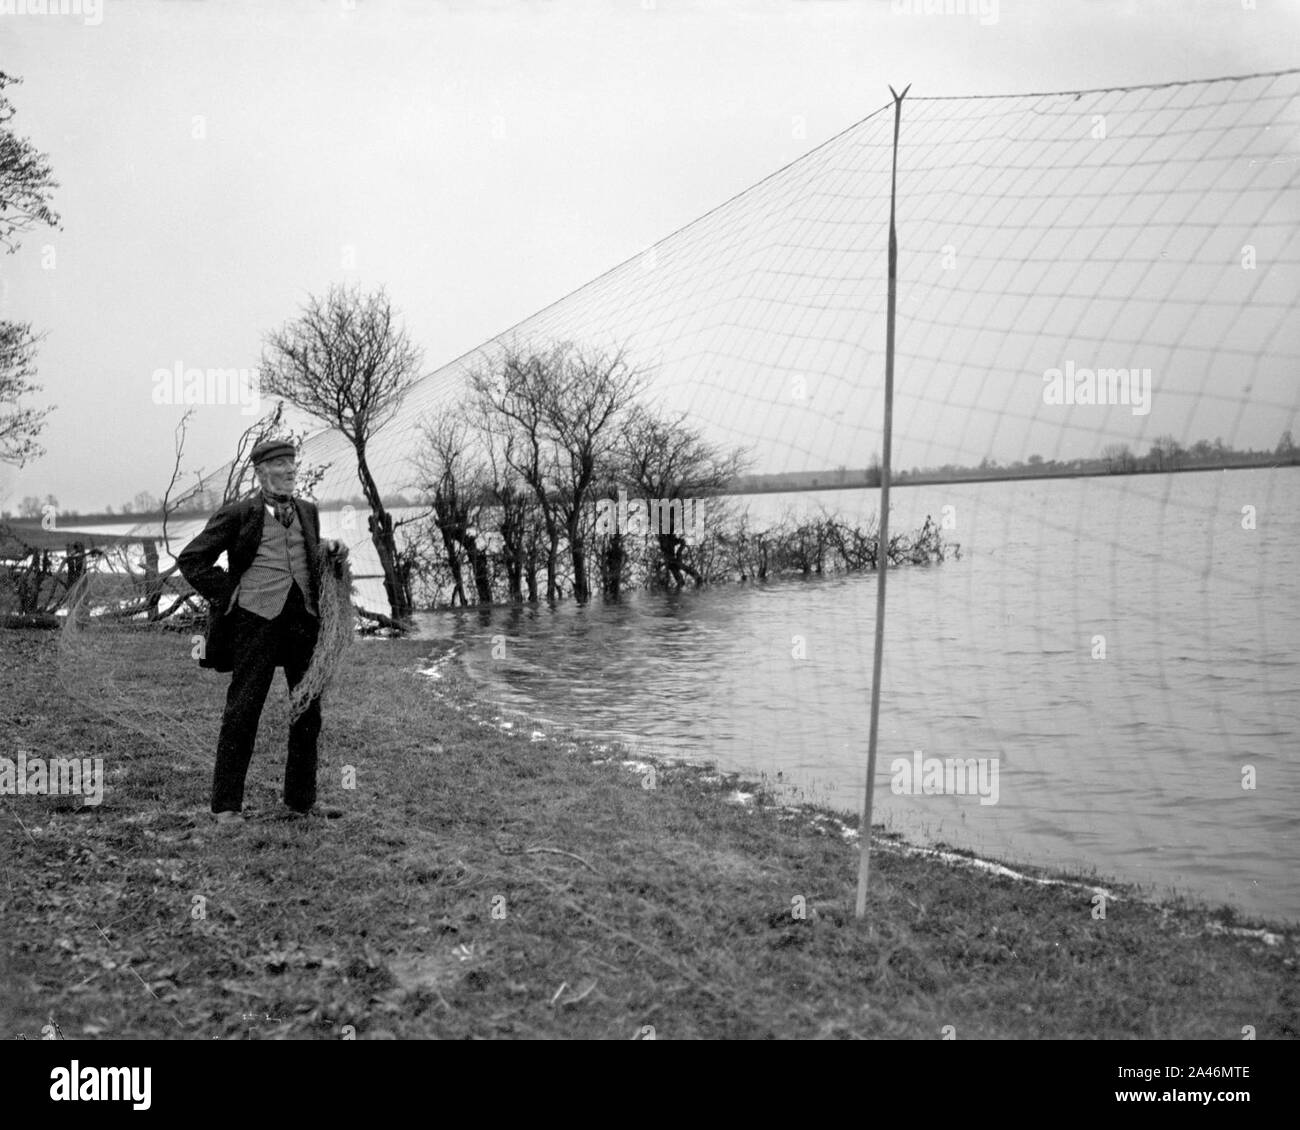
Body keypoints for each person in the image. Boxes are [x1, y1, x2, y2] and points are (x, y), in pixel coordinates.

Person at [177, 438, 348, 825]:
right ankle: (226, 808)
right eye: (281, 464)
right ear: (261, 472)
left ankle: (301, 802)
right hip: (255, 622)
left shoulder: (308, 511)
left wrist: (330, 550)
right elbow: (192, 558)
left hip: (303, 621)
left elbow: (305, 553)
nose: (290, 471)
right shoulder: (240, 513)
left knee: (308, 710)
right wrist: (228, 592)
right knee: (243, 711)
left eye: (292, 464)